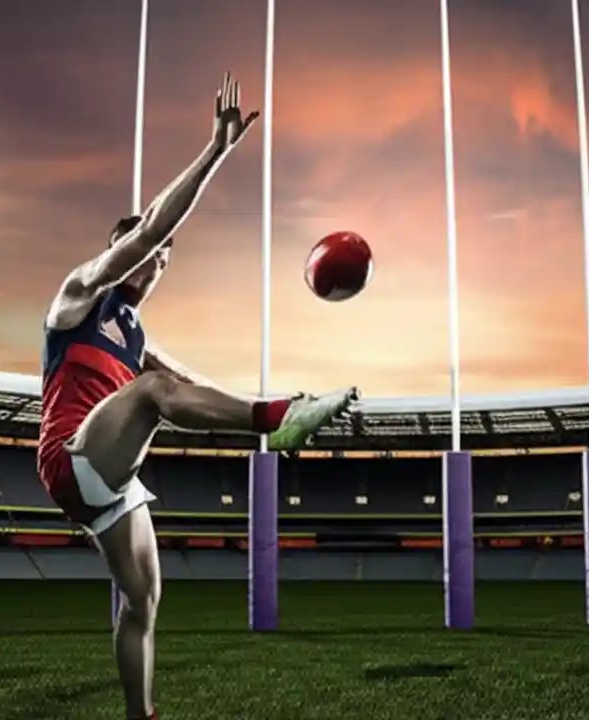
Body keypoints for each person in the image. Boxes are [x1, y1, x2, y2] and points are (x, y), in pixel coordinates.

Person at [37, 72, 359, 720]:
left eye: (160, 259)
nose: (150, 262)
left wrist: (249, 388)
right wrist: (217, 150)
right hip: (70, 459)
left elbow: (190, 388)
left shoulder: (137, 337)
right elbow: (153, 229)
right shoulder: (77, 296)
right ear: (118, 252)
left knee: (144, 602)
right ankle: (280, 422)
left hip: (112, 482)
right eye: (141, 252)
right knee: (156, 391)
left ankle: (141, 715)